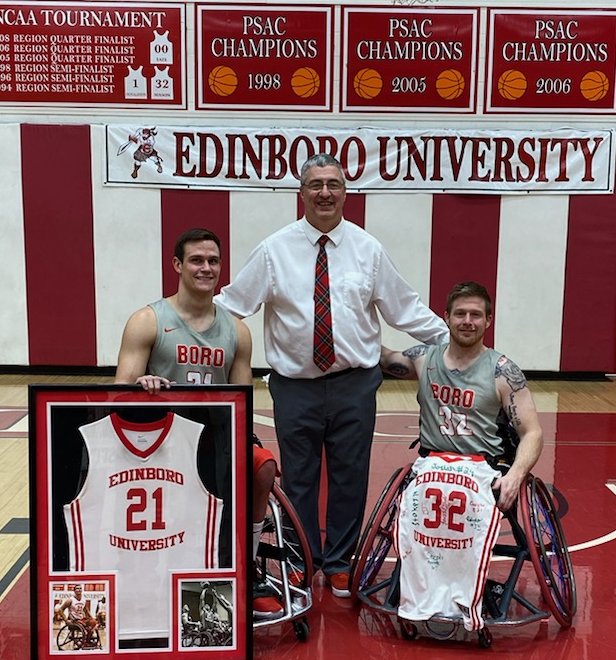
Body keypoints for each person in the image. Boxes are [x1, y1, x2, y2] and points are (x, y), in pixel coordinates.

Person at [216, 154, 446, 593]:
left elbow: (406, 309)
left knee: (349, 476)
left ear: (345, 192)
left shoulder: (368, 250)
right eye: (315, 184)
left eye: (333, 184)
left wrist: (455, 343)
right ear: (301, 193)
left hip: (354, 384)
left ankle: (340, 561)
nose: (325, 192)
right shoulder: (272, 250)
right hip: (294, 386)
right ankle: (301, 560)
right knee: (299, 479)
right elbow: (230, 307)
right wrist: (180, 333)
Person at [115, 227, 281, 613]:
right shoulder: (148, 320)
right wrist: (143, 383)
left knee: (263, 467)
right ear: (177, 265)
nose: (206, 268)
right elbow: (120, 390)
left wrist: (243, 442)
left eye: (213, 261)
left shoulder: (237, 330)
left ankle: (248, 565)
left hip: (213, 440)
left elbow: (242, 402)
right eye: (196, 260)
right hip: (158, 442)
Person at [380, 282, 544, 630]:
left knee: (462, 511)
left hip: (483, 467)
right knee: (419, 508)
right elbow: (381, 357)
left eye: (475, 315)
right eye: (460, 314)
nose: (467, 321)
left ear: (488, 320)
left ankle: (467, 592)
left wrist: (515, 475)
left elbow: (533, 432)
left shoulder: (503, 372)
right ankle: (421, 591)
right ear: (447, 318)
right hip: (432, 462)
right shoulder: (424, 359)